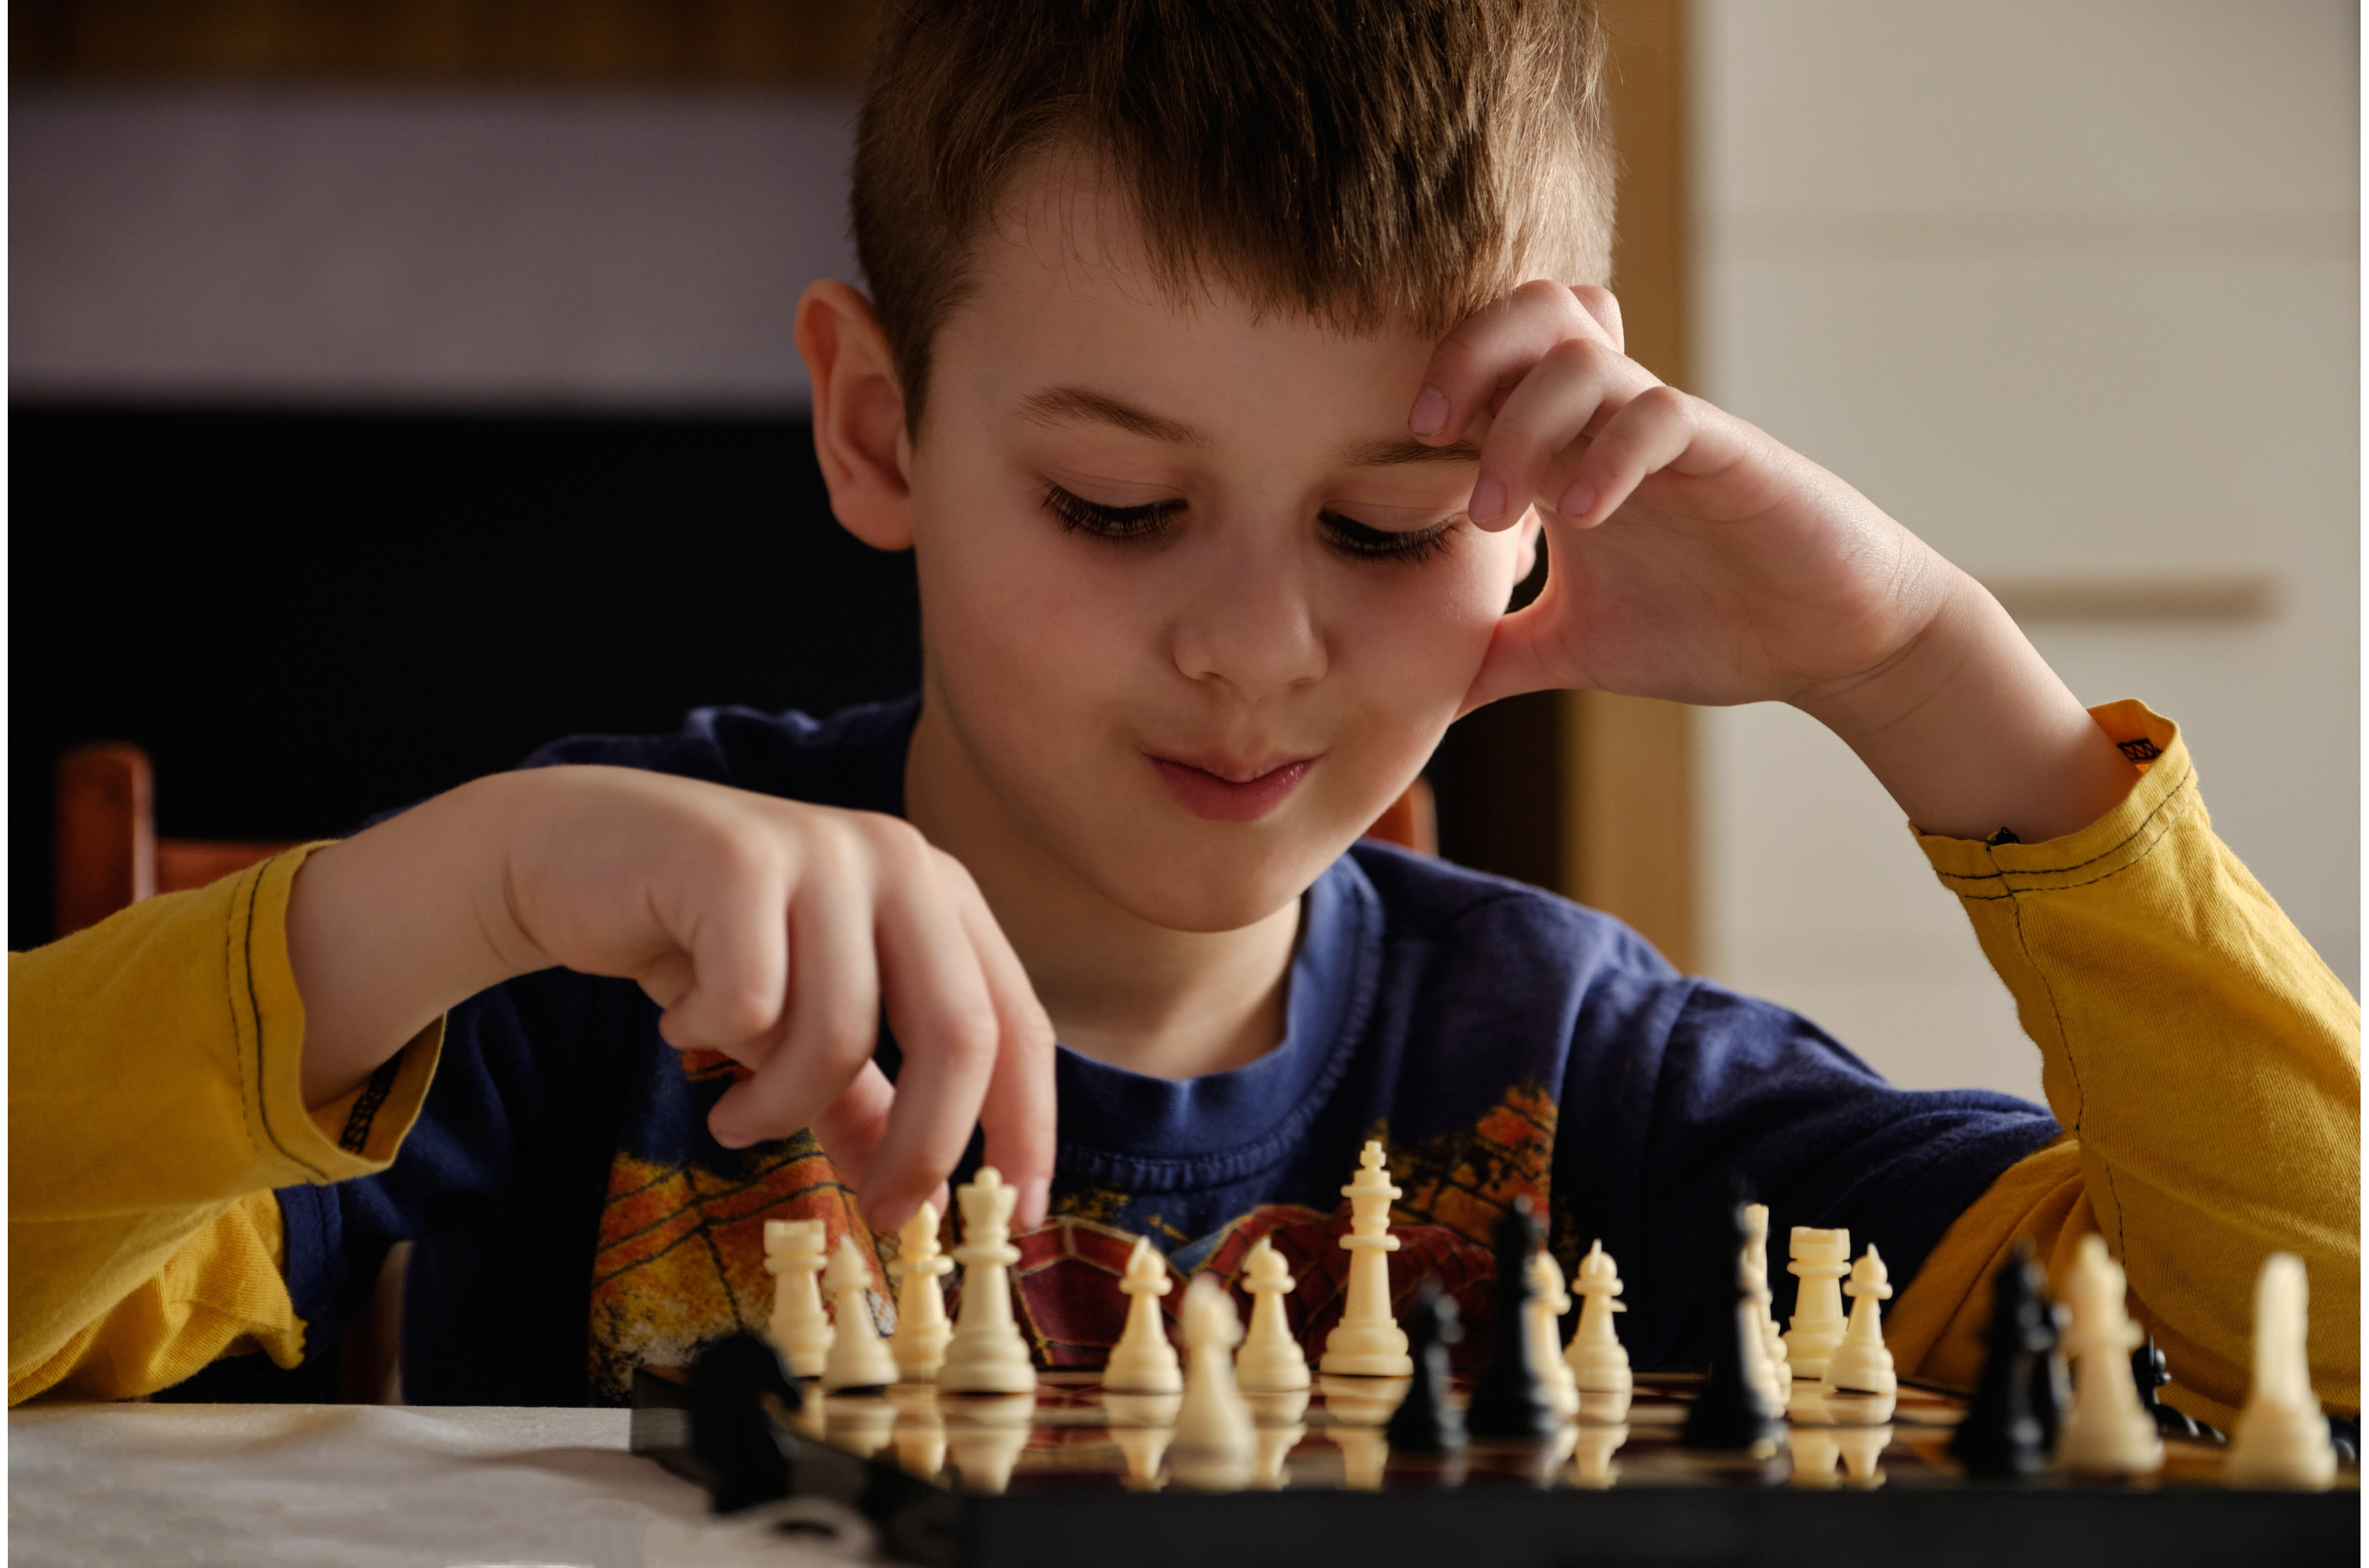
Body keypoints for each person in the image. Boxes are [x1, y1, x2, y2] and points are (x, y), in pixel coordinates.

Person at [11, 0, 2355, 1428]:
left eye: (1389, 524)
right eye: (1119, 507)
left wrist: (1931, 675)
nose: (1255, 649)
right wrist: (464, 887)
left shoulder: (1592, 1073)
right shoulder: (578, 980)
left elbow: (2315, 1358)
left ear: (1542, 497)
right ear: (879, 426)